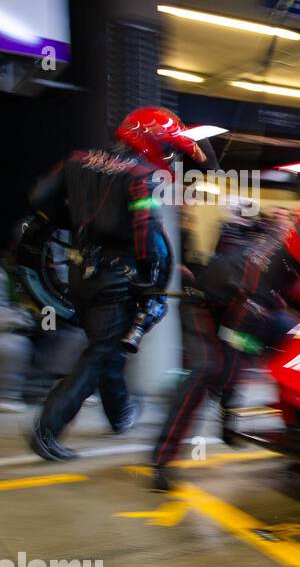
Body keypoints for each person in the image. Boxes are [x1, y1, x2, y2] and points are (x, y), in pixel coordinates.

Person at [150, 199, 300, 492]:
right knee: (209, 370)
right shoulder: (262, 279)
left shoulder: (293, 247)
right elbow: (238, 336)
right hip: (208, 306)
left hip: (255, 305)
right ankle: (162, 460)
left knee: (299, 350)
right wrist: (231, 394)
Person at [26, 107, 205, 461]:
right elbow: (144, 236)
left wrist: (75, 222)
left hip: (77, 273)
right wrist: (148, 280)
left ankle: (121, 413)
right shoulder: (143, 175)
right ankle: (47, 427)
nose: (170, 157)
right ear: (152, 140)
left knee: (104, 348)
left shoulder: (77, 159)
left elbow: (38, 200)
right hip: (116, 277)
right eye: (168, 147)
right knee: (101, 353)